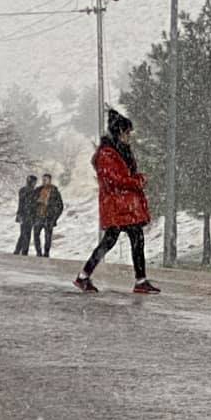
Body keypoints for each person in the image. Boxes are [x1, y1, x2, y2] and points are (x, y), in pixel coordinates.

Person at [75, 109, 159, 295]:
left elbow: (122, 177)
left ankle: (86, 276)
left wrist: (136, 179)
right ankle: (85, 276)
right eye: (127, 133)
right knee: (118, 241)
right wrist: (138, 181)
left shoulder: (119, 151)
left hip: (124, 205)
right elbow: (115, 179)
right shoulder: (107, 154)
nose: (129, 137)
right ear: (120, 132)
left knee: (125, 240)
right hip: (117, 205)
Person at [34, 174, 64, 257]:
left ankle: (46, 253)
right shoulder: (38, 190)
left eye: (46, 180)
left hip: (49, 218)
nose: (44, 181)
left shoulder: (54, 192)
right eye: (43, 179)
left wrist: (54, 217)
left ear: (50, 180)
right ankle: (38, 253)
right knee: (36, 235)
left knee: (48, 237)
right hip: (38, 216)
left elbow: (60, 206)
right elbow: (32, 203)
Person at [12, 174, 39, 256]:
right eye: (34, 182)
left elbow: (22, 204)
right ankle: (23, 251)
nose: (35, 184)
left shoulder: (23, 190)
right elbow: (29, 204)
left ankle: (18, 250)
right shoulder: (30, 191)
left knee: (24, 233)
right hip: (27, 215)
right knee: (26, 234)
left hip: (24, 215)